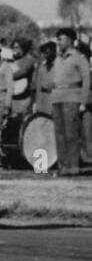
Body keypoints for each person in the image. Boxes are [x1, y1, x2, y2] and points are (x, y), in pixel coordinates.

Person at [51, 28, 90, 175]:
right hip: (57, 98)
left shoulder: (79, 58)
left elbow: (86, 80)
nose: (58, 42)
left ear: (70, 40)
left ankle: (73, 167)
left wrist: (83, 102)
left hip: (72, 98)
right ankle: (63, 167)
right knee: (59, 134)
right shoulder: (57, 59)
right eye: (58, 39)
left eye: (61, 39)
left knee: (71, 134)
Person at [9, 37, 36, 117]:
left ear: (23, 48)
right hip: (13, 98)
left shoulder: (29, 59)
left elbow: (22, 72)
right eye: (13, 47)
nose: (14, 50)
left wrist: (5, 75)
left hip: (24, 98)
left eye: (17, 47)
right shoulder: (14, 60)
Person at [33, 40, 57, 116]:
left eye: (47, 52)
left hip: (54, 99)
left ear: (53, 52)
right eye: (44, 53)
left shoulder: (60, 66)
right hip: (42, 99)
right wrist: (37, 103)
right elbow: (38, 86)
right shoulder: (41, 67)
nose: (45, 55)